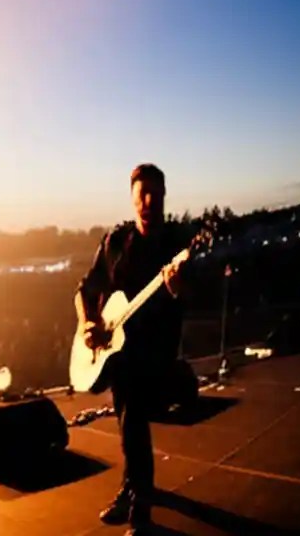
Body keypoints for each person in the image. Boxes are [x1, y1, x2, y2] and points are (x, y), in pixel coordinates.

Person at [74, 164, 190, 535]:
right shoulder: (115, 243)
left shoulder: (177, 246)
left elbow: (195, 296)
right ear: (132, 198)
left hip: (157, 349)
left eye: (156, 195)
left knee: (134, 414)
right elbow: (85, 290)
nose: (149, 202)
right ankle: (134, 487)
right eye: (142, 195)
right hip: (119, 350)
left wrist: (177, 288)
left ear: (165, 199)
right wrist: (86, 323)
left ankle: (140, 508)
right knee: (129, 418)